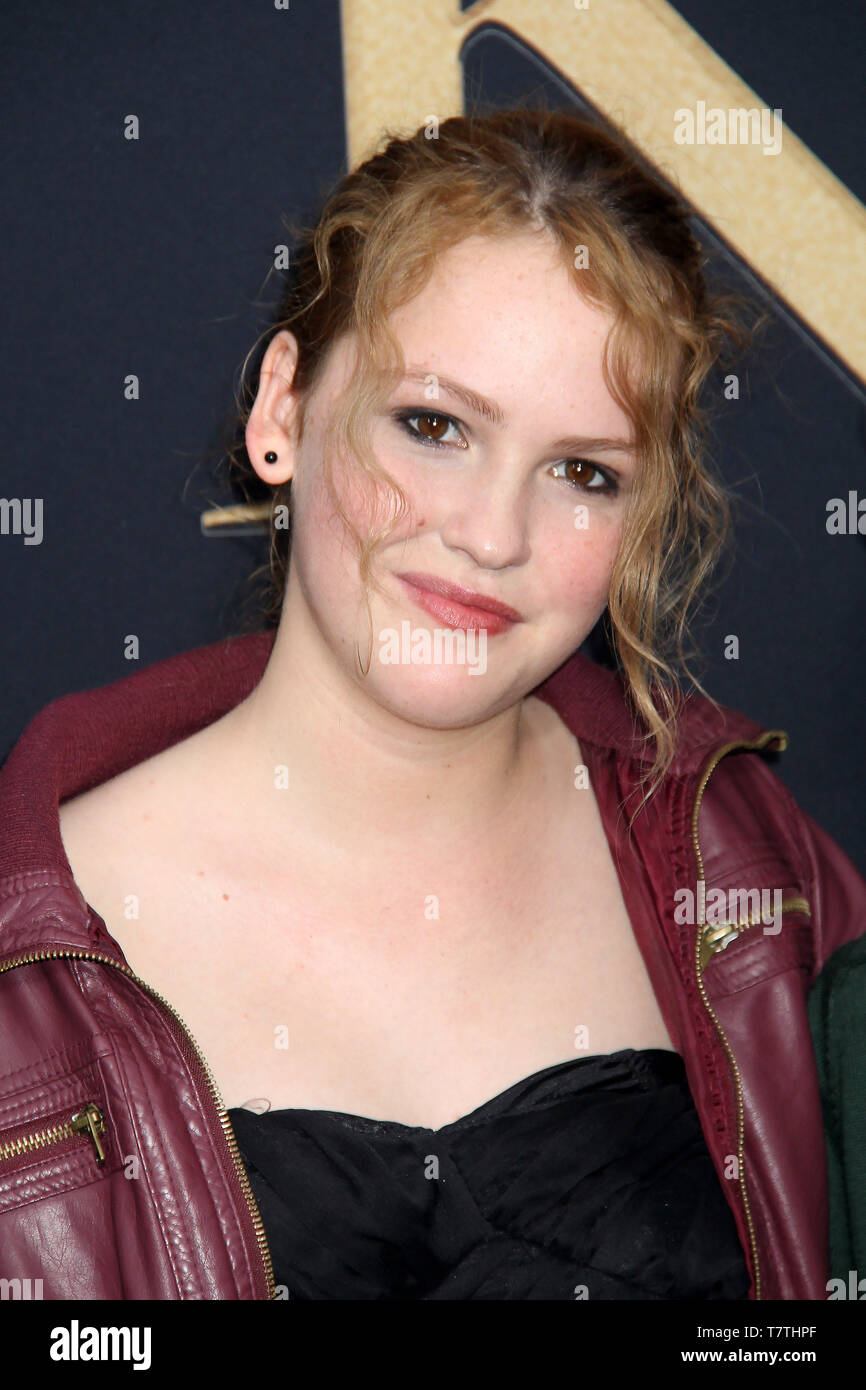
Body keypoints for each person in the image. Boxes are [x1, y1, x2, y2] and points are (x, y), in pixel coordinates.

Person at [1, 107, 864, 1302]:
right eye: (433, 425)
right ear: (281, 413)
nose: (490, 535)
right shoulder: (21, 965)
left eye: (582, 472)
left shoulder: (755, 869)